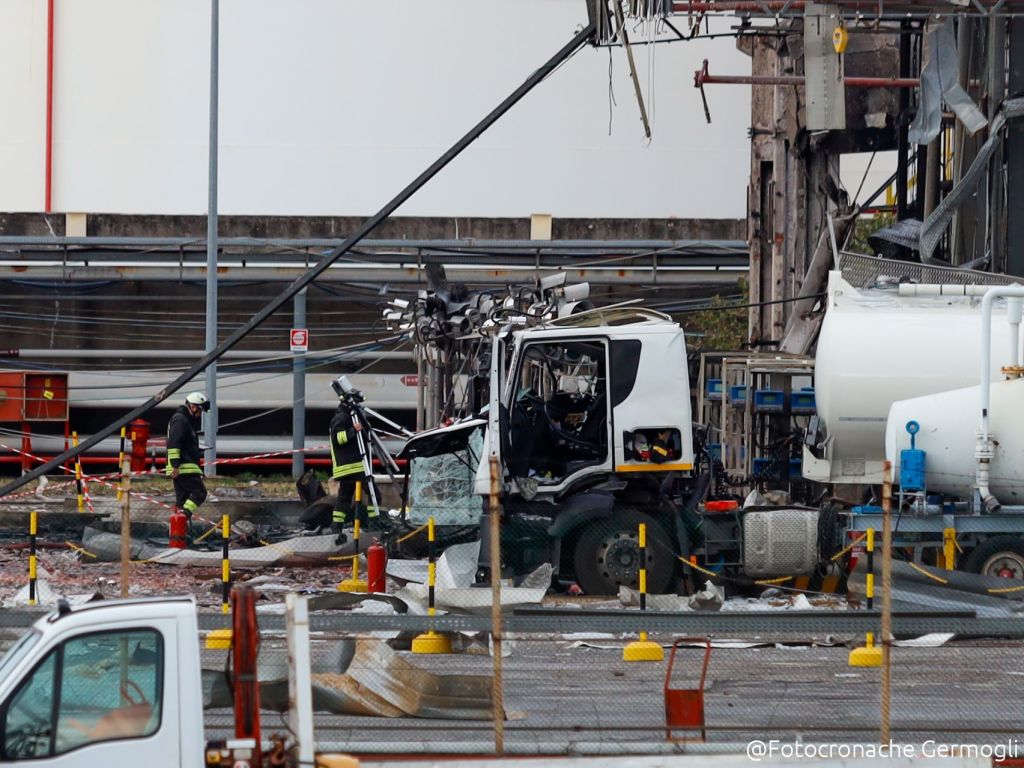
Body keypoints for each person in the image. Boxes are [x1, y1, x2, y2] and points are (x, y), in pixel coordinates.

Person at [166, 391, 210, 523]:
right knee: (200, 493)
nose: (200, 415)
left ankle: (179, 532)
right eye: (200, 411)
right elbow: (174, 443)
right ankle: (183, 517)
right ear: (194, 407)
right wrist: (175, 465)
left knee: (182, 500)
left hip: (184, 467)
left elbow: (184, 443)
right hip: (183, 467)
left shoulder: (185, 421)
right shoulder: (180, 420)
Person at [329, 392, 366, 537]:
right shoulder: (342, 418)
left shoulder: (350, 417)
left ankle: (336, 527)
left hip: (355, 466)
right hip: (351, 467)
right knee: (372, 494)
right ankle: (374, 524)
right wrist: (353, 431)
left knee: (345, 499)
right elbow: (338, 438)